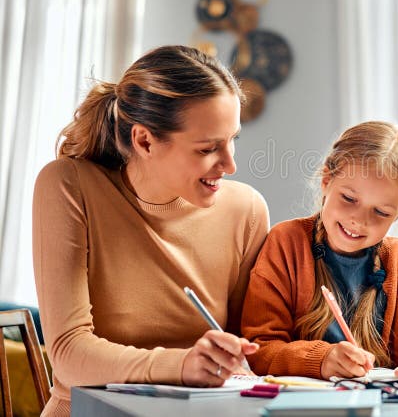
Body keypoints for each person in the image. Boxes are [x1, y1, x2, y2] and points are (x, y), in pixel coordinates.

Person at [32, 45, 269, 416]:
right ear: (144, 141)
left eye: (232, 140)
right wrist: (181, 365)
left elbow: (249, 348)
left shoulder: (246, 210)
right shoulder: (70, 185)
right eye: (208, 148)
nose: (230, 164)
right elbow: (68, 354)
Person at [241, 121, 398, 386]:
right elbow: (259, 349)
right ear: (326, 180)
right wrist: (322, 359)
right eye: (349, 199)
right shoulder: (286, 243)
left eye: (381, 212)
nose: (359, 221)